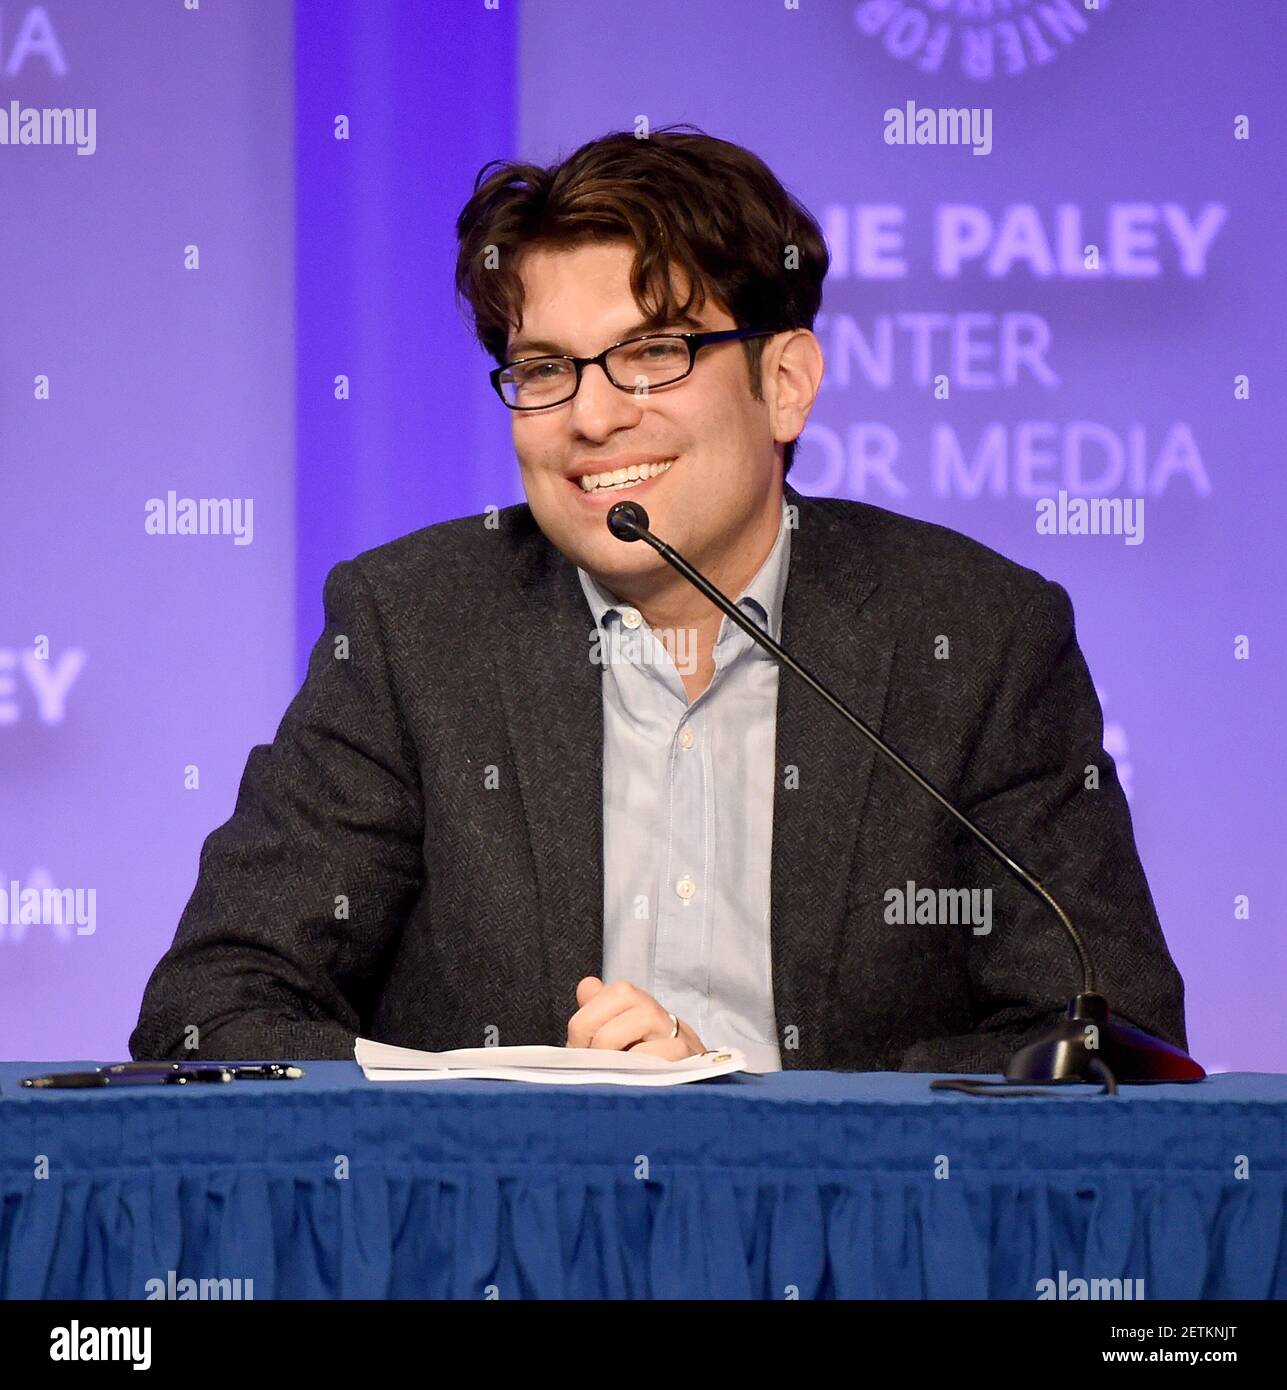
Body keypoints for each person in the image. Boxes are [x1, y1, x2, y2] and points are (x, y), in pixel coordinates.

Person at [130, 127, 1188, 1072]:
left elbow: (1103, 1036)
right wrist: (509, 1098)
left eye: (651, 354)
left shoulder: (976, 636)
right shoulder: (414, 628)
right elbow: (212, 1010)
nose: (590, 417)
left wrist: (744, 1110)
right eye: (543, 368)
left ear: (786, 384)